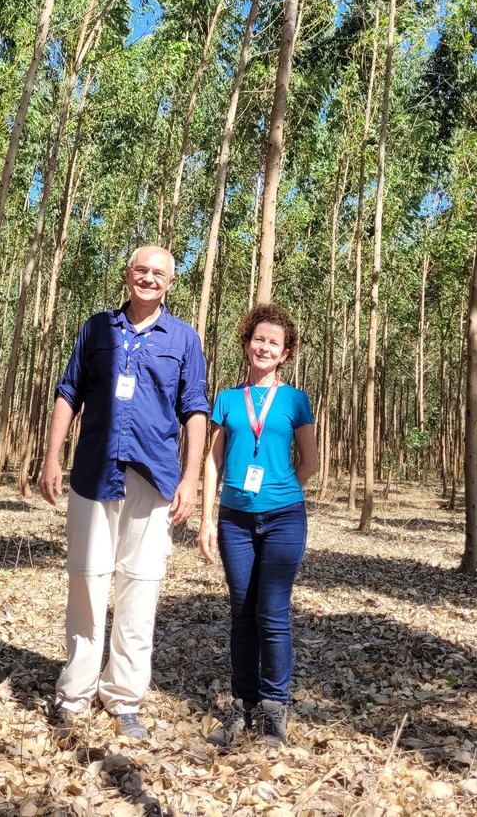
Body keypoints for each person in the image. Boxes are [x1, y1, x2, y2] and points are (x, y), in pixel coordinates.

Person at [40, 245, 209, 741]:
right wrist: (52, 456)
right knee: (86, 583)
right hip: (93, 473)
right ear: (127, 274)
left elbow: (194, 409)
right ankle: (74, 693)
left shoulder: (183, 338)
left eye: (159, 273)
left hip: (154, 477)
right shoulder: (96, 329)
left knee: (141, 585)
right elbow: (69, 391)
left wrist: (190, 477)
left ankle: (125, 697)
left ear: (170, 283)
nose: (148, 278)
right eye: (141, 269)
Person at [198, 303, 318, 748]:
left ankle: (273, 710)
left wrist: (281, 491)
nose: (264, 347)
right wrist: (207, 518)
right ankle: (243, 707)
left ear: (286, 353)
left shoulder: (295, 399)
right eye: (259, 339)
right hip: (234, 520)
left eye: (274, 342)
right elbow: (212, 462)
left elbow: (310, 462)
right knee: (242, 613)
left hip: (285, 518)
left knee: (272, 613)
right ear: (247, 344)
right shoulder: (227, 400)